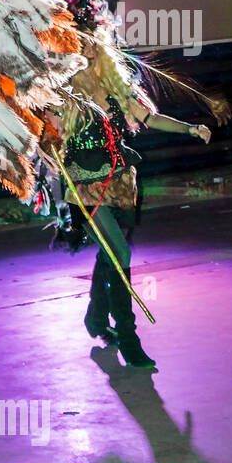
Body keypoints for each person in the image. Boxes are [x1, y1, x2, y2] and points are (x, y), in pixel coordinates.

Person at [44, 36, 211, 370]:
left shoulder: (116, 87)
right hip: (85, 186)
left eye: (91, 44)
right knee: (120, 252)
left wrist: (191, 129)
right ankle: (129, 339)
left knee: (109, 252)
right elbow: (47, 138)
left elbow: (151, 118)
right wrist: (47, 140)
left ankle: (95, 316)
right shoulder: (60, 94)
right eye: (79, 45)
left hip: (120, 181)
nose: (87, 50)